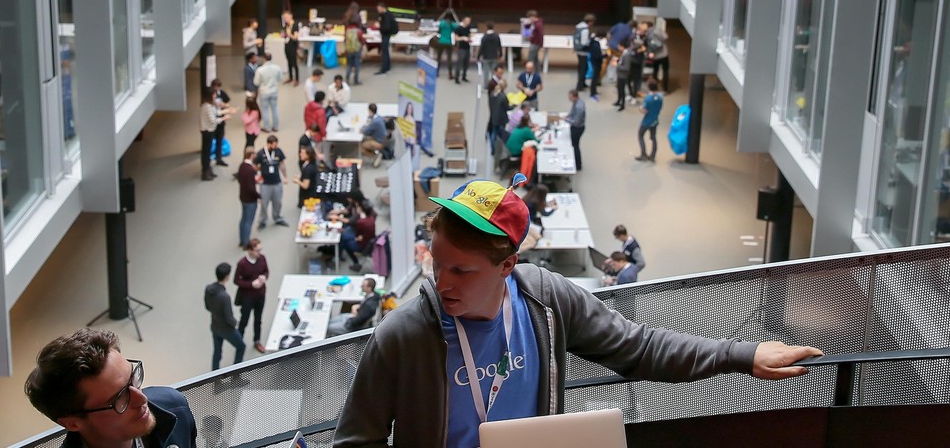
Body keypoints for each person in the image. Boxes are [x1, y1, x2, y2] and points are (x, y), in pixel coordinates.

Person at [332, 179, 823, 447]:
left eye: (460, 271)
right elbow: (356, 440)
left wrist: (742, 353)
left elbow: (640, 348)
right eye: (436, 264)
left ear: (507, 266)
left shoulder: (545, 300)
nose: (440, 283)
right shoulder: (402, 336)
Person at [24, 329, 196, 447]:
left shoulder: (175, 408)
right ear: (72, 423)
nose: (142, 399)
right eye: (119, 398)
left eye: (132, 378)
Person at [234, 237, 271, 354]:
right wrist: (251, 284)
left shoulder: (262, 258)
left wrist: (264, 277)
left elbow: (266, 271)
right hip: (247, 297)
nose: (260, 253)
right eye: (257, 250)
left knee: (258, 319)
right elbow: (236, 281)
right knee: (244, 320)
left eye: (260, 250)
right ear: (250, 250)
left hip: (260, 294)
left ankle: (257, 341)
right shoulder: (242, 264)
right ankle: (238, 341)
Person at [206, 263, 245, 370]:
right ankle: (236, 374)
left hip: (215, 325)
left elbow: (207, 307)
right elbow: (229, 318)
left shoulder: (208, 289)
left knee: (217, 352)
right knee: (241, 347)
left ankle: (214, 376)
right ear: (227, 276)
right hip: (227, 329)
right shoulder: (224, 297)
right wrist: (234, 322)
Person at [199, 85, 233, 182]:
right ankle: (205, 171)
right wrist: (224, 118)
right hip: (207, 131)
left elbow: (216, 112)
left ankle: (208, 170)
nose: (215, 96)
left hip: (209, 130)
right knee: (206, 152)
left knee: (207, 150)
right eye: (214, 94)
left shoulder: (209, 105)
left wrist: (226, 111)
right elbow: (213, 120)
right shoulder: (207, 106)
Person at [255, 134, 289, 228]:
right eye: (274, 144)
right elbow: (255, 165)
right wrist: (257, 175)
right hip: (265, 184)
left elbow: (282, 164)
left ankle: (277, 218)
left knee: (278, 202)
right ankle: (262, 221)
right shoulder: (260, 153)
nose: (276, 146)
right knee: (264, 203)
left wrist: (285, 177)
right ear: (269, 144)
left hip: (277, 182)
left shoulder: (278, 151)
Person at [250, 53, 284, 133]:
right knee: (275, 109)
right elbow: (280, 78)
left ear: (264, 58)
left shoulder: (260, 70)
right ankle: (275, 126)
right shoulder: (277, 68)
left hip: (264, 92)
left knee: (265, 110)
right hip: (274, 91)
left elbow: (256, 82)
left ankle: (267, 127)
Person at [235, 153, 261, 248]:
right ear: (251, 156)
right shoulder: (250, 170)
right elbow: (251, 188)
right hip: (250, 199)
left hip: (243, 197)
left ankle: (242, 240)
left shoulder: (242, 166)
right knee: (248, 221)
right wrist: (258, 196)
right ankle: (246, 243)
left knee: (243, 219)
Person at [637, 77, 663, 162]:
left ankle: (643, 154)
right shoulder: (660, 97)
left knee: (640, 135)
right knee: (653, 138)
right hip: (655, 120)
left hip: (647, 121)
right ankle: (653, 156)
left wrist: (640, 108)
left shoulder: (648, 99)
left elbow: (644, 110)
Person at [486, 70, 510, 161]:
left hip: (494, 116)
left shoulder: (493, 94)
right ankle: (501, 151)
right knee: (501, 134)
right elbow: (507, 108)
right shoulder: (503, 97)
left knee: (493, 133)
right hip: (501, 118)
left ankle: (493, 149)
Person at [615, 42, 643, 113]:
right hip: (620, 74)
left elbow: (626, 67)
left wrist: (617, 65)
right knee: (619, 88)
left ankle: (622, 104)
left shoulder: (627, 55)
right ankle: (619, 101)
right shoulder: (625, 53)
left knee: (622, 89)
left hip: (623, 74)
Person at [572, 14, 596, 94]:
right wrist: (591, 38)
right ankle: (580, 85)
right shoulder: (585, 30)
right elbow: (584, 42)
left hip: (578, 50)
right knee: (583, 68)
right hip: (583, 51)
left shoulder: (578, 27)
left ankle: (582, 83)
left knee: (582, 67)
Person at [565, 89, 587, 172]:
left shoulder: (579, 107)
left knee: (575, 145)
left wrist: (566, 120)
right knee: (575, 145)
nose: (569, 99)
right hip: (577, 126)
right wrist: (567, 116)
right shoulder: (577, 102)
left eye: (570, 97)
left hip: (577, 128)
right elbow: (572, 112)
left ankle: (578, 165)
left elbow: (576, 122)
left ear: (574, 97)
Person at [213, 79, 233, 164]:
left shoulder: (221, 93)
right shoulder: (210, 101)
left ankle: (219, 158)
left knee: (219, 140)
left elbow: (227, 99)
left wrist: (225, 107)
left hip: (220, 119)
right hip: (213, 122)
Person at [645, 19, 669, 84]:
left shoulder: (647, 34)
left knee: (655, 71)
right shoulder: (658, 30)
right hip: (664, 54)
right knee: (665, 71)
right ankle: (665, 88)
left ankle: (655, 86)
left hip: (655, 56)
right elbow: (666, 37)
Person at [377, 3, 399, 74]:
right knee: (386, 51)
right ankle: (387, 66)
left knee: (385, 52)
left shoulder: (386, 16)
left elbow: (386, 27)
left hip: (386, 35)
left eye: (379, 9)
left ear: (383, 8)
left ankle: (384, 68)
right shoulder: (386, 14)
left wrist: (379, 26)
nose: (378, 10)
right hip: (387, 34)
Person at [436, 11, 458, 80]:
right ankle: (450, 74)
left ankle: (437, 72)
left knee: (439, 58)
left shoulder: (442, 22)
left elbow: (438, 31)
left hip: (441, 41)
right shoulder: (452, 24)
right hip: (448, 42)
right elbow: (456, 29)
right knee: (449, 59)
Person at [454, 16, 474, 84]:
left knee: (466, 63)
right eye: (467, 21)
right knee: (459, 63)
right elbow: (456, 38)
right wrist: (462, 38)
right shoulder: (458, 29)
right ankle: (457, 77)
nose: (468, 22)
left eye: (469, 21)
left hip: (467, 47)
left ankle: (464, 76)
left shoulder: (468, 28)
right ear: (463, 21)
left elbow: (469, 35)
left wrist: (469, 38)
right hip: (461, 48)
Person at [344, 19, 365, 85]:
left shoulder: (347, 31)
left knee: (349, 65)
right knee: (357, 65)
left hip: (349, 49)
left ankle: (347, 79)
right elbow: (362, 40)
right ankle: (356, 80)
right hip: (357, 49)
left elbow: (345, 40)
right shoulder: (359, 31)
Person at [584, 32, 603, 102]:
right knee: (594, 79)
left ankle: (594, 91)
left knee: (595, 78)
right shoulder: (595, 44)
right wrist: (604, 56)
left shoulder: (593, 42)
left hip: (594, 61)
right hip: (596, 62)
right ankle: (592, 94)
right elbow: (597, 55)